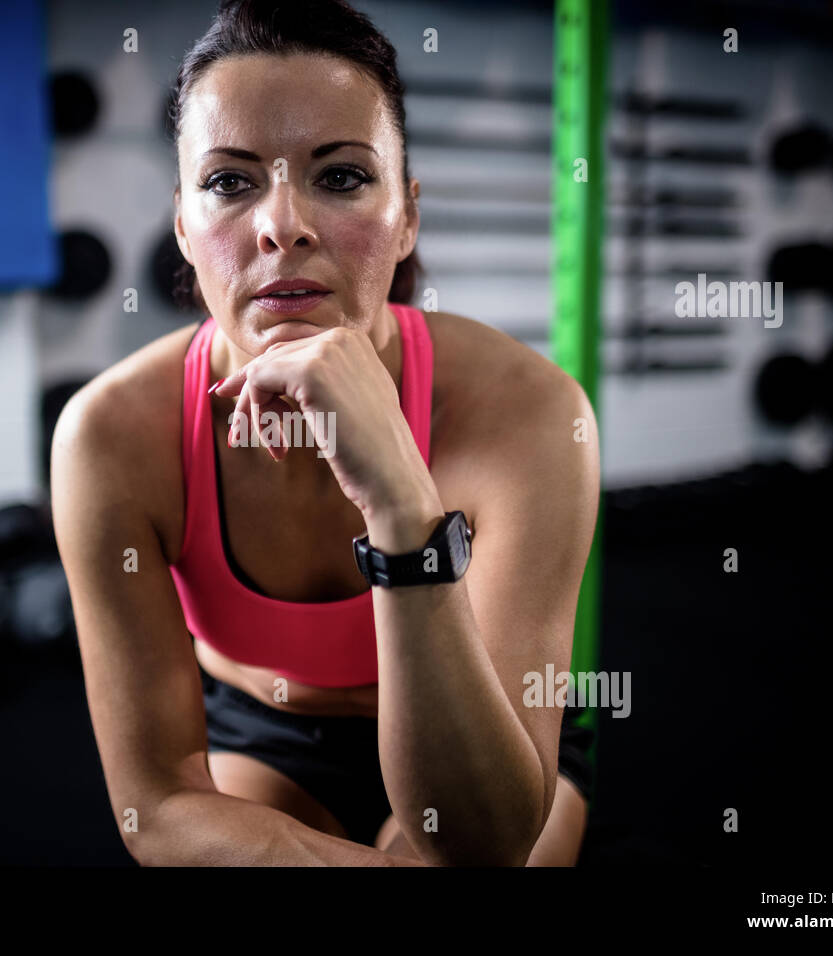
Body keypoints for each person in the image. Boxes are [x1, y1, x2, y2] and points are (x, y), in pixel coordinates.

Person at [51, 0, 599, 866]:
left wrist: (400, 499)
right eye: (229, 182)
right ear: (185, 229)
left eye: (340, 176)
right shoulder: (110, 435)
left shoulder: (532, 414)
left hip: (490, 731)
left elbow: (483, 841)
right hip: (259, 736)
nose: (282, 224)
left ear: (407, 216)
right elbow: (152, 807)